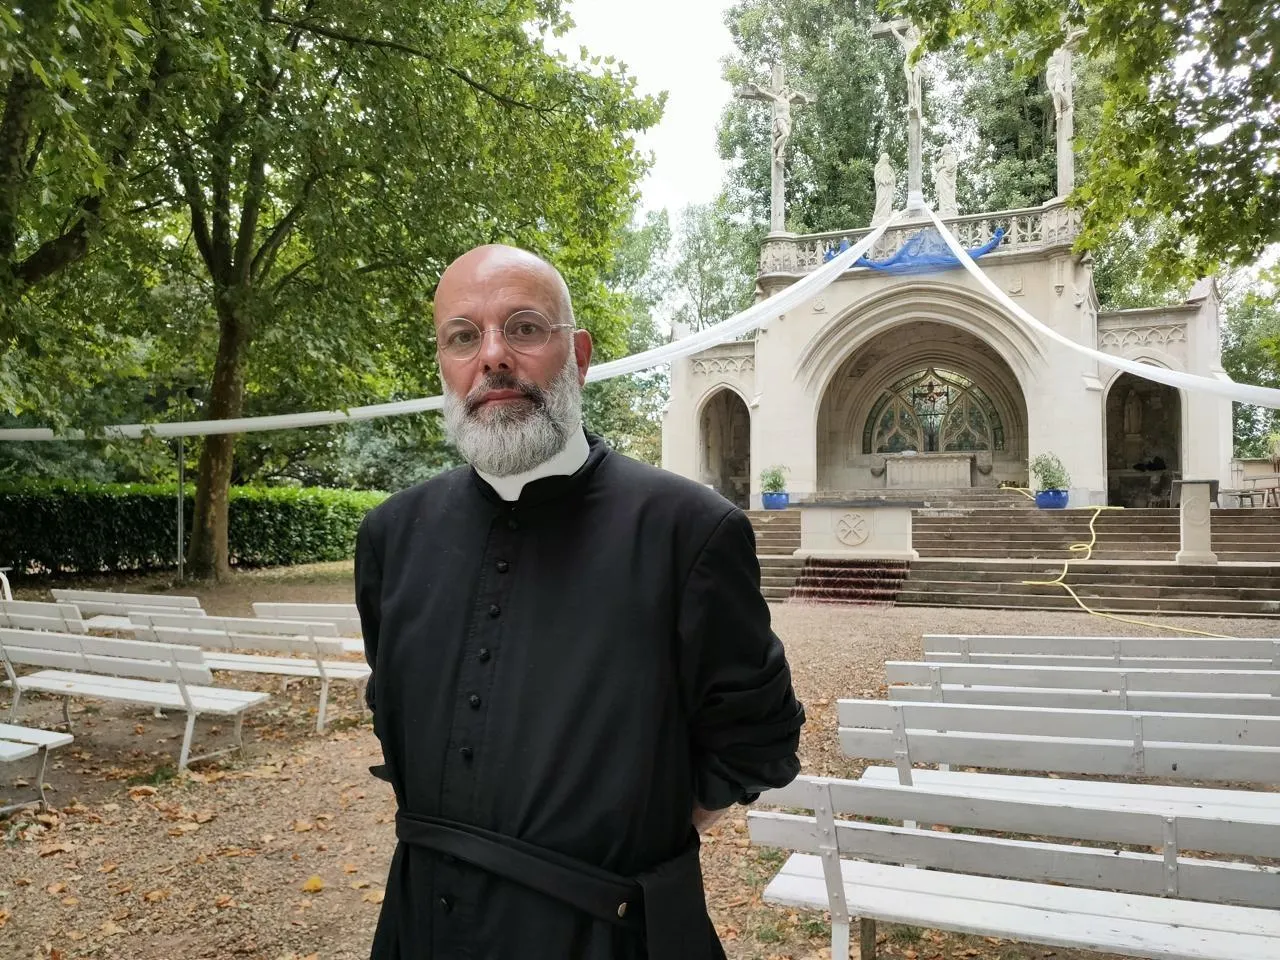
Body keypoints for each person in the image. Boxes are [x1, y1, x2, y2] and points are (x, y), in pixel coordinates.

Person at [354, 244, 806, 960]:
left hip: (608, 936)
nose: (492, 356)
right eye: (463, 337)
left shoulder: (689, 531)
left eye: (525, 328)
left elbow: (757, 743)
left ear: (580, 356)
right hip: (420, 927)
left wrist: (634, 833)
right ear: (443, 363)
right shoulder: (391, 536)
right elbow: (396, 716)